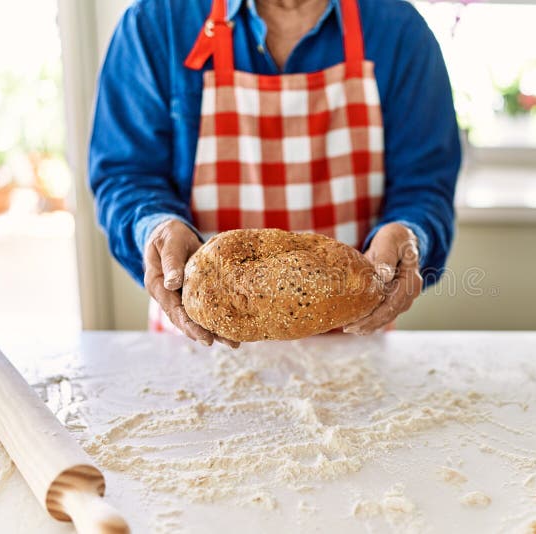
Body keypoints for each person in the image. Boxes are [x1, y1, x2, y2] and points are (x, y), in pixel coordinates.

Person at [89, 0, 461, 347]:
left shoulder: (399, 32)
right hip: (196, 349)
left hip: (350, 349)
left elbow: (426, 185)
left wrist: (410, 233)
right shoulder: (158, 24)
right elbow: (125, 175)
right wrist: (155, 227)